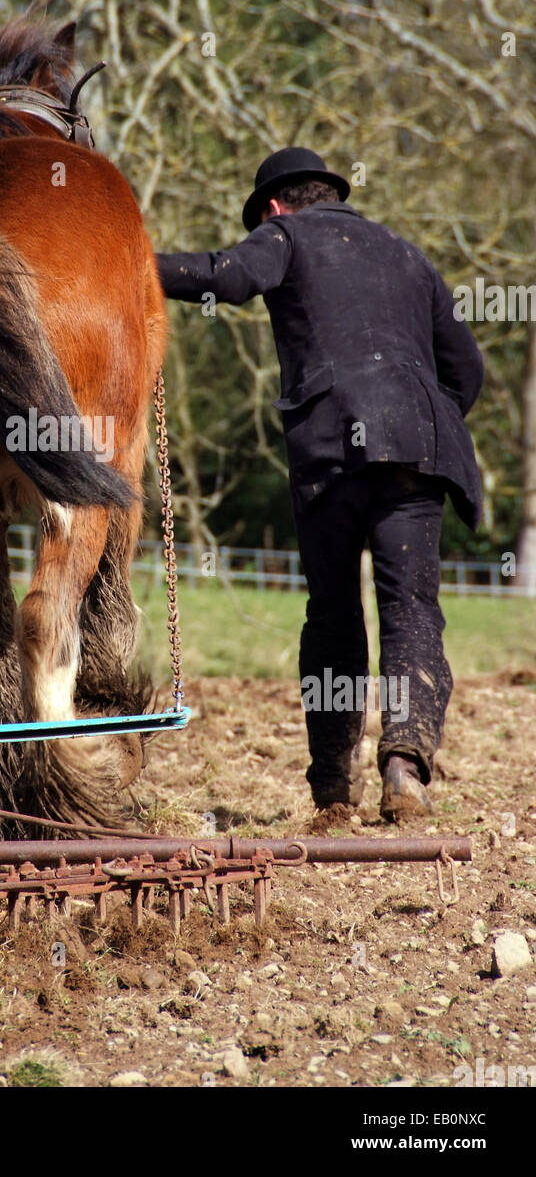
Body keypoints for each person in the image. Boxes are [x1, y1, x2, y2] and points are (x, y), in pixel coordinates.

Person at [156, 148, 485, 821]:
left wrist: (124, 262)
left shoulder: (284, 234)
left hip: (332, 445)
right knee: (412, 607)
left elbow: (228, 277)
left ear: (275, 206)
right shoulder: (407, 253)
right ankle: (405, 769)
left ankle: (334, 790)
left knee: (334, 616)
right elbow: (467, 369)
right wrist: (420, 418)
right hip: (417, 445)